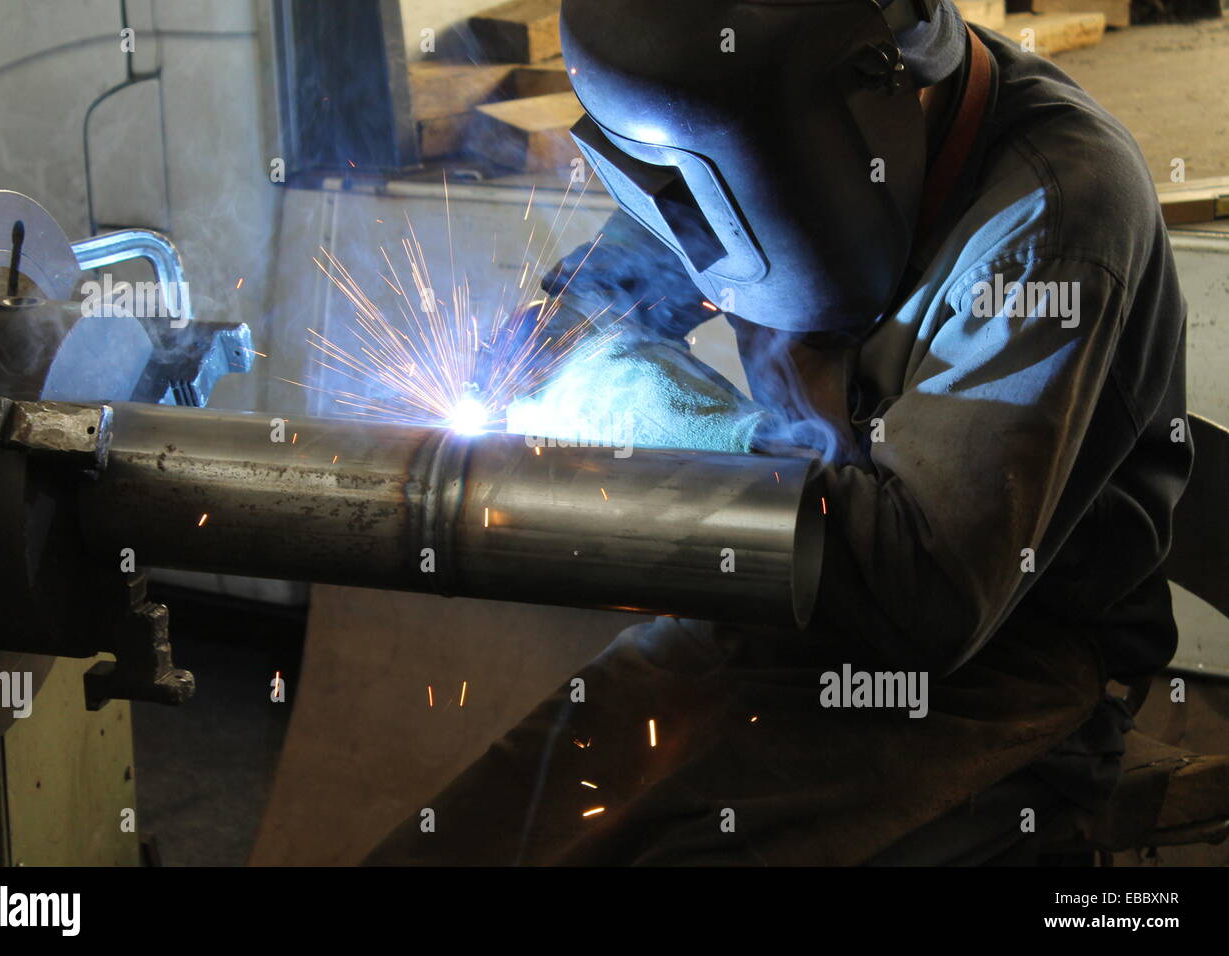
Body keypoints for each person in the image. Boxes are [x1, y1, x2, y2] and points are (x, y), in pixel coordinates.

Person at [364, 0, 1191, 865]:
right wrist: (562, 333)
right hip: (789, 602)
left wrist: (644, 415)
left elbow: (927, 594)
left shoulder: (1047, 222)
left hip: (1011, 666)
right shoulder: (755, 131)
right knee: (491, 835)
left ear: (862, 107)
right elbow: (649, 249)